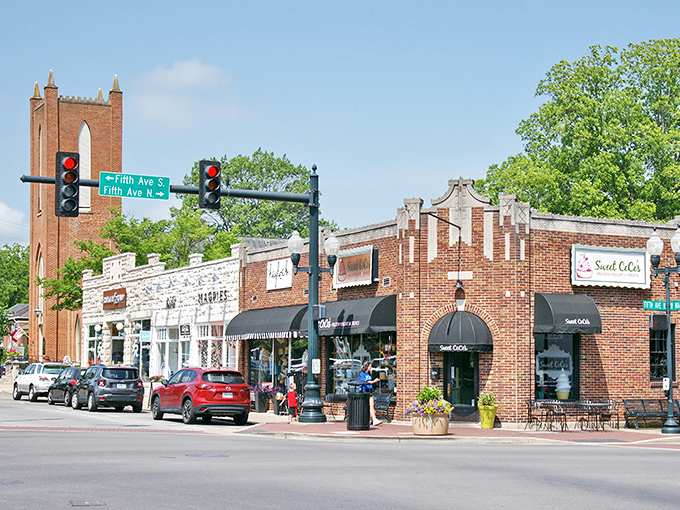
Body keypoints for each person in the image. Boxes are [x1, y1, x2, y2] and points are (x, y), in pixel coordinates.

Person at [359, 361, 382, 426]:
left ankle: (373, 419)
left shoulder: (368, 374)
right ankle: (373, 419)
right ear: (366, 367)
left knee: (372, 405)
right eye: (370, 366)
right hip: (365, 390)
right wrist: (374, 381)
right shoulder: (362, 374)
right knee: (368, 406)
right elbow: (365, 382)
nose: (371, 368)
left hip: (370, 390)